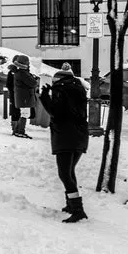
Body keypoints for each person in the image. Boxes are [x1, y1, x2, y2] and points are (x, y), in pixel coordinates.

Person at [39, 63, 90, 222]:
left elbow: (56, 113)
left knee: (64, 173)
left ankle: (77, 209)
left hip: (65, 135)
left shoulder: (61, 90)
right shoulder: (78, 89)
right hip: (80, 135)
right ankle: (70, 204)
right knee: (70, 171)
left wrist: (45, 97)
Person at [5, 54, 38, 138]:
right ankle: (20, 131)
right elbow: (33, 83)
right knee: (24, 114)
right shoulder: (23, 73)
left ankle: (17, 131)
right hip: (25, 97)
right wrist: (34, 79)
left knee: (21, 113)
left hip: (20, 96)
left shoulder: (17, 72)